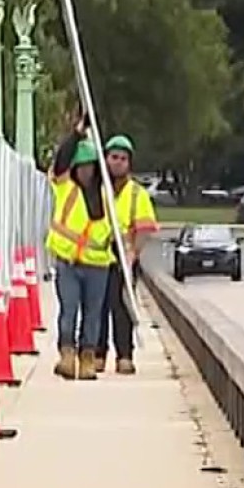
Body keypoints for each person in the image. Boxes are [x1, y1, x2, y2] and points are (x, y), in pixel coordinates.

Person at [44, 114, 117, 381]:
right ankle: (67, 355)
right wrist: (76, 134)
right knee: (69, 309)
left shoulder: (107, 193)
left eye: (91, 166)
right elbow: (60, 162)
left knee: (93, 314)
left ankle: (88, 357)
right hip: (69, 262)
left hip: (98, 264)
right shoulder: (66, 188)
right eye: (82, 166)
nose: (87, 171)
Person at [96, 135, 159, 375]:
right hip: (98, 253)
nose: (118, 162)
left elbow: (145, 227)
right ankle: (98, 353)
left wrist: (133, 253)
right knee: (97, 305)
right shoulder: (97, 190)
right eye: (114, 157)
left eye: (123, 158)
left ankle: (124, 355)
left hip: (124, 252)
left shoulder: (136, 193)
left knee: (121, 306)